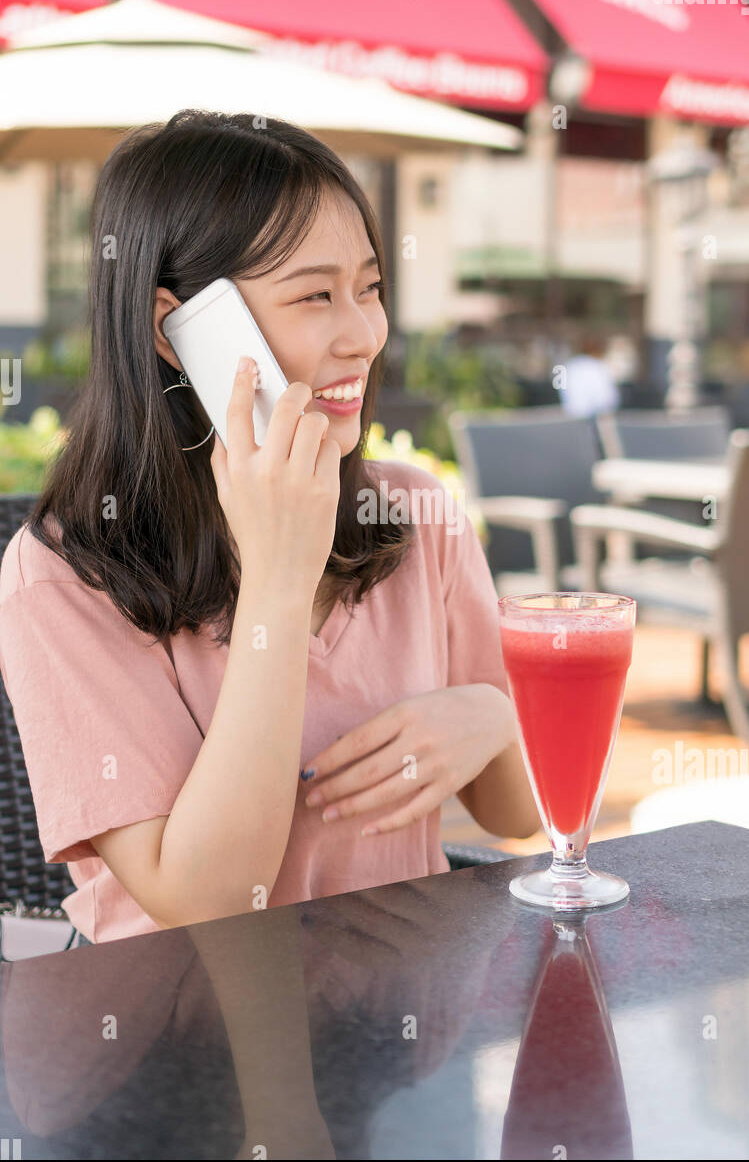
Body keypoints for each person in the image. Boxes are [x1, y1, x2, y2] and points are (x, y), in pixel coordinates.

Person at [0, 110, 539, 945]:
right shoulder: (63, 578)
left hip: (397, 1046)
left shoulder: (415, 516)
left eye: (370, 287)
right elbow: (209, 898)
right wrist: (279, 586)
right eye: (315, 296)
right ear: (177, 333)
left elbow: (515, 813)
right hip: (177, 1047)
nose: (364, 336)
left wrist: (491, 717)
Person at [558, 334, 619, 418]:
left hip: (570, 417)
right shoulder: (598, 367)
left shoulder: (569, 365)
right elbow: (606, 398)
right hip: (592, 418)